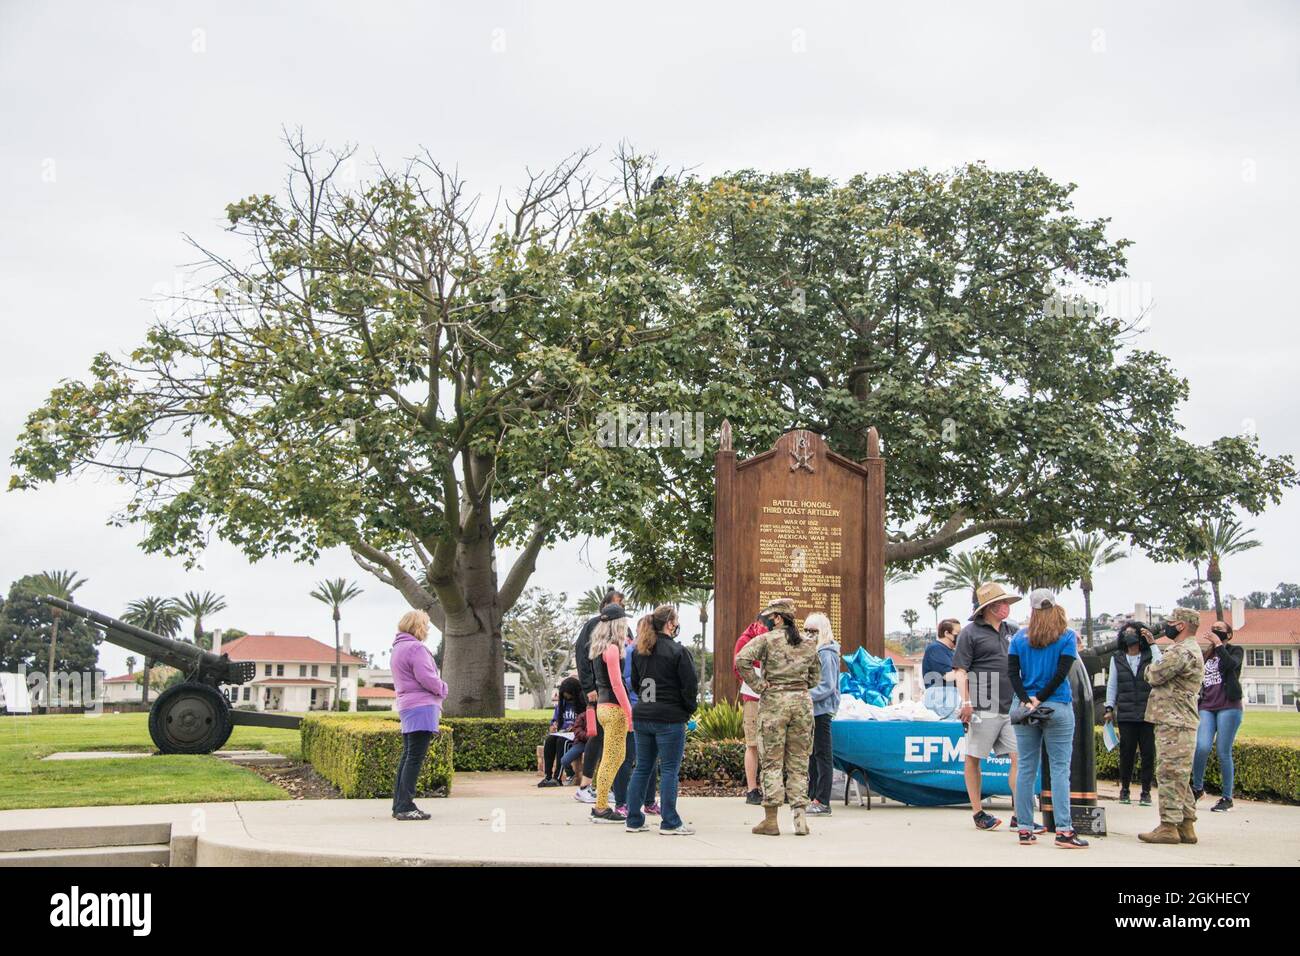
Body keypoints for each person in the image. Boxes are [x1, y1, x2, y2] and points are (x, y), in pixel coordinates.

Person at [1007, 590, 1088, 849]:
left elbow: (1012, 673)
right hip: (1057, 706)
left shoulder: (1018, 637)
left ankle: (1024, 828)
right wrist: (1041, 698)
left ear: (1031, 609)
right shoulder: (1066, 637)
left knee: (1026, 768)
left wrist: (1027, 699)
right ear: (1054, 607)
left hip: (1024, 706)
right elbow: (1062, 672)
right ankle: (1064, 831)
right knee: (1060, 770)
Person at [735, 598, 821, 837]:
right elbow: (816, 677)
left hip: (774, 704)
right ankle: (800, 818)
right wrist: (800, 685)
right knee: (799, 763)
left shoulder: (765, 640)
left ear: (779, 618)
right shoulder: (808, 642)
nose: (769, 621)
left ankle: (771, 820)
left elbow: (741, 659)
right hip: (801, 704)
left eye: (771, 617)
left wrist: (759, 685)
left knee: (772, 762)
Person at [952, 582, 1021, 831]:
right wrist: (967, 702)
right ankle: (978, 812)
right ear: (990, 607)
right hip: (983, 704)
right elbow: (960, 671)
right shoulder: (970, 633)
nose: (1006, 607)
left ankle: (1020, 812)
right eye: (1002, 603)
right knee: (974, 758)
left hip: (1012, 705)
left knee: (1019, 758)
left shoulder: (1013, 630)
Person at [625, 604, 698, 835]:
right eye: (675, 621)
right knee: (668, 770)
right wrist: (687, 711)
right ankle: (670, 822)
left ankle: (634, 820)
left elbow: (635, 684)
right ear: (670, 623)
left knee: (642, 768)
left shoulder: (639, 650)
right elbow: (689, 687)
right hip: (669, 717)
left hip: (643, 714)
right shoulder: (678, 651)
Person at [1139, 607, 1206, 845]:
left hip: (1174, 721)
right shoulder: (1190, 650)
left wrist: (1149, 667)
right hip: (1179, 721)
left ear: (1181, 626)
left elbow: (1154, 674)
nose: (1166, 626)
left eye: (1170, 622)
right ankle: (1186, 824)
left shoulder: (1181, 651)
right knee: (1180, 775)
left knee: (1168, 773)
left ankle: (1168, 826)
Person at [389, 609, 448, 821]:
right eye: (426, 626)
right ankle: (406, 805)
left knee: (408, 756)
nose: (428, 630)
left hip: (407, 706)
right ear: (418, 626)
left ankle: (399, 804)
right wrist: (443, 688)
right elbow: (427, 678)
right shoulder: (416, 648)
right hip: (422, 707)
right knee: (414, 758)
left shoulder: (398, 648)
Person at [573, 589, 624, 804]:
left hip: (612, 695)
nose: (621, 608)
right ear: (605, 606)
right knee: (597, 736)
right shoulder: (594, 626)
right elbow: (582, 656)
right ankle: (586, 785)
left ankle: (603, 787)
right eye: (617, 604)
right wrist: (588, 687)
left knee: (611, 743)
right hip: (599, 692)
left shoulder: (621, 630)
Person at [1103, 622, 1162, 805]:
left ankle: (1145, 792)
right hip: (1127, 713)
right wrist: (1109, 708)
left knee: (1148, 753)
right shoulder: (1117, 658)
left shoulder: (1148, 655)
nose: (1129, 636)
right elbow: (1112, 684)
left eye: (1133, 633)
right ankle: (1125, 789)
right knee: (1126, 753)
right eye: (1126, 633)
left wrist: (1153, 644)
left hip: (1147, 712)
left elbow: (1161, 664)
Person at [1192, 619, 1245, 813]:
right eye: (1213, 628)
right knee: (1202, 746)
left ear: (1228, 634)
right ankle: (1197, 789)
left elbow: (1231, 665)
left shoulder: (1235, 650)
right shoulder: (1206, 654)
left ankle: (1227, 797)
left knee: (1223, 751)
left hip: (1229, 706)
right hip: (1207, 705)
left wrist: (1218, 644)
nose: (1215, 630)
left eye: (1220, 629)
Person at [589, 609, 633, 823]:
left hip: (602, 707)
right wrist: (629, 711)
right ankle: (601, 806)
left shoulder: (598, 649)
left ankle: (601, 801)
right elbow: (617, 683)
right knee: (612, 758)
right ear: (618, 624)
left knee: (613, 757)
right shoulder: (613, 649)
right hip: (615, 709)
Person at [613, 619, 660, 818]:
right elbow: (626, 681)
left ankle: (649, 802)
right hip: (633, 710)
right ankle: (621, 802)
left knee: (650, 759)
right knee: (628, 757)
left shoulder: (655, 651)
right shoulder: (631, 652)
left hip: (650, 709)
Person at [733, 613, 772, 805]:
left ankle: (772, 788)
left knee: (773, 745)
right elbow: (738, 667)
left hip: (773, 699)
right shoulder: (745, 640)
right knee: (752, 744)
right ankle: (752, 789)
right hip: (753, 698)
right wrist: (757, 684)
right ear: (758, 624)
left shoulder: (775, 637)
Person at [805, 612, 840, 816]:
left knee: (823, 755)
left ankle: (823, 800)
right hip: (812, 709)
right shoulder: (815, 652)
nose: (809, 634)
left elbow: (827, 685)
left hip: (822, 710)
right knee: (813, 756)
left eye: (813, 631)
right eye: (806, 630)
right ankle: (813, 797)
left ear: (822, 631)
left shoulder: (826, 653)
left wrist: (804, 695)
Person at [539, 676, 584, 787]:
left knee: (561, 742)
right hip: (563, 732)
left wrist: (575, 727)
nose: (566, 696)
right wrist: (553, 725)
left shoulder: (582, 704)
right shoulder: (562, 704)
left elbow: (585, 722)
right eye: (564, 693)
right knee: (549, 740)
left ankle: (557, 778)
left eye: (568, 693)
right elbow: (554, 720)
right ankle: (548, 776)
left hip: (575, 736)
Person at [922, 618, 962, 718]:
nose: (960, 636)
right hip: (941, 701)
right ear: (947, 633)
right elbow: (948, 676)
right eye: (958, 633)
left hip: (951, 699)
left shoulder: (952, 652)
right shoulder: (936, 649)